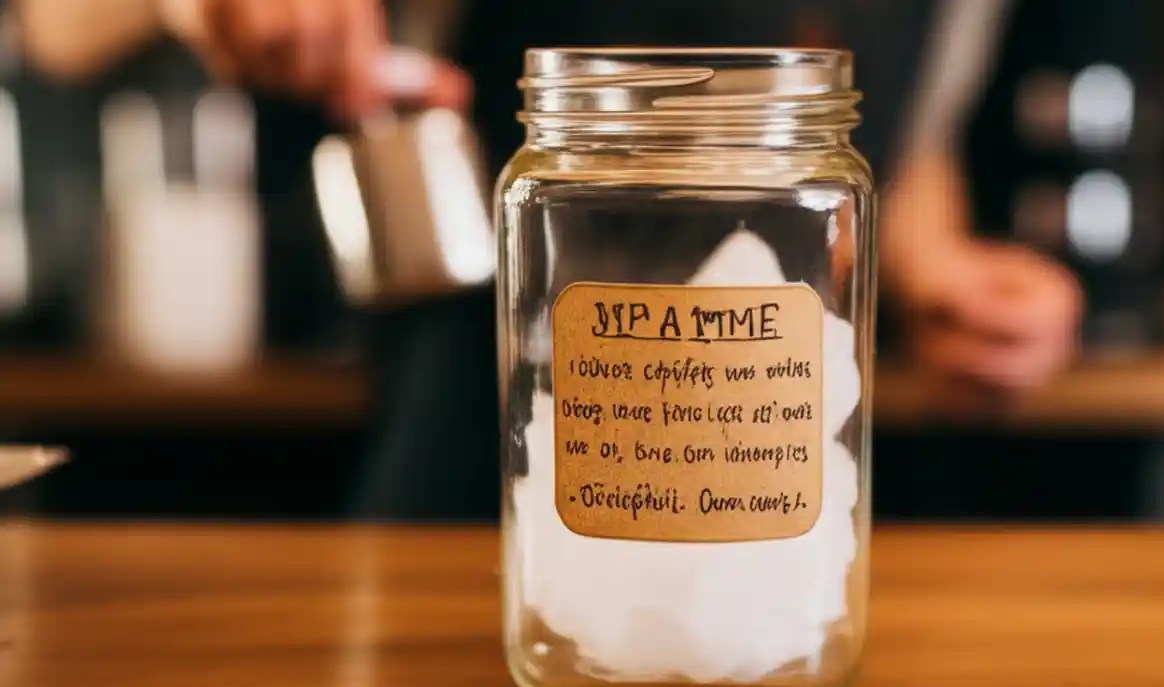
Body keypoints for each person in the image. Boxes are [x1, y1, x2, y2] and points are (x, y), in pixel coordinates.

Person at [16, 0, 1081, 517]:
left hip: (795, 456)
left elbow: (898, 145)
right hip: (480, 443)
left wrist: (943, 276)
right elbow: (59, 24)